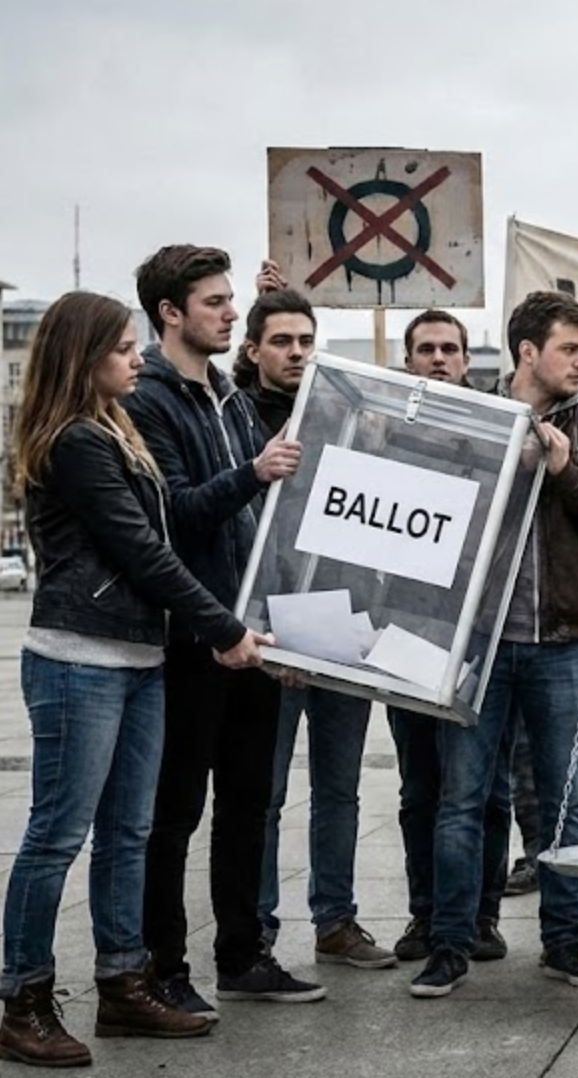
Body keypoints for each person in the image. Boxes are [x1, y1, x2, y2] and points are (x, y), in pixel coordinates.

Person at [0, 293, 270, 1066]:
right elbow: (141, 551)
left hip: (139, 659)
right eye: (122, 348)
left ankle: (123, 983)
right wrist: (224, 630)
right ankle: (21, 996)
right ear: (84, 357)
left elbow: (164, 536)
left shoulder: (117, 430)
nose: (138, 358)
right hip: (77, 660)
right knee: (56, 834)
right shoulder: (77, 441)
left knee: (130, 832)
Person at [125, 245, 324, 1014]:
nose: (231, 311)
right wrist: (254, 472)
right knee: (174, 812)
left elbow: (263, 526)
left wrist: (285, 631)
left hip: (249, 634)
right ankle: (162, 968)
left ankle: (243, 955)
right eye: (214, 301)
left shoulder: (227, 397)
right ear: (171, 313)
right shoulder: (147, 398)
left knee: (249, 801)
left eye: (230, 298)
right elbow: (168, 514)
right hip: (187, 636)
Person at [410, 291, 578, 998]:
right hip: (479, 639)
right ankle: (450, 945)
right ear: (527, 352)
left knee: (565, 803)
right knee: (462, 798)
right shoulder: (467, 420)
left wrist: (567, 471)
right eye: (569, 348)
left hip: (563, 639)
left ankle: (564, 941)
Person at [230, 286, 394, 970]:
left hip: (341, 621)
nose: (296, 352)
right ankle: (257, 927)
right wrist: (267, 623)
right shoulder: (234, 417)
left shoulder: (340, 408)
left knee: (340, 786)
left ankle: (336, 921)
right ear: (253, 350)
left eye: (305, 341)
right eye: (281, 341)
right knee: (260, 791)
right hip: (267, 631)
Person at [384, 310, 516, 965]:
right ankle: (426, 915)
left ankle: (483, 915)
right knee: (421, 787)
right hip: (407, 624)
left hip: (484, 631)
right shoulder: (387, 431)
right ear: (408, 359)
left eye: (451, 349)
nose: (440, 358)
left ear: (468, 360)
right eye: (427, 348)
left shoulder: (498, 429)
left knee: (488, 788)